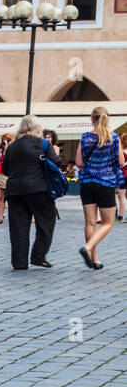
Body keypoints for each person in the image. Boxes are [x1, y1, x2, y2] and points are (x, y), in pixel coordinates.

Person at [1, 114, 60, 270]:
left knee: (18, 228)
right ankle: (38, 255)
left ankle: (19, 262)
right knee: (47, 222)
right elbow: (56, 162)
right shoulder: (44, 145)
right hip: (39, 189)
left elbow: (5, 169)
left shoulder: (13, 146)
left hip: (15, 191)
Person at [75, 106, 123, 270]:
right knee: (108, 222)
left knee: (90, 222)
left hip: (87, 183)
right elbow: (121, 162)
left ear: (92, 119)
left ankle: (94, 259)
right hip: (105, 183)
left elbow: (79, 163)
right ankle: (88, 249)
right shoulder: (114, 138)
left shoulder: (85, 137)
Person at [0, 133, 12, 224]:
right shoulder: (1, 149)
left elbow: (8, 157)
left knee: (11, 197)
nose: (5, 142)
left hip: (10, 174)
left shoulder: (13, 148)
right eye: (4, 140)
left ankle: (14, 217)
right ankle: (0, 218)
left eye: (7, 140)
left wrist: (7, 146)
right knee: (0, 197)